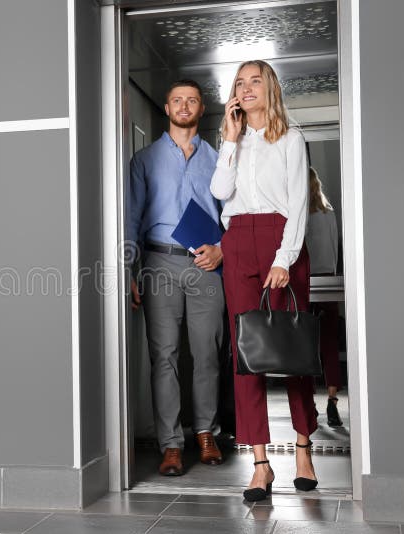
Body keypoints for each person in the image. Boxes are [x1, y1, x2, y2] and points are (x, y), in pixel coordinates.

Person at [210, 60, 318, 501]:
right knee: (246, 353)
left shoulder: (291, 138)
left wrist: (284, 258)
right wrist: (230, 142)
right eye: (240, 82)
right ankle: (259, 463)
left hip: (280, 240)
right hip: (236, 242)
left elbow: (299, 203)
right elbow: (220, 192)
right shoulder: (231, 141)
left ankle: (304, 448)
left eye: (255, 80)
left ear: (270, 88)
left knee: (292, 349)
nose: (247, 87)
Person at [126, 79, 226, 476]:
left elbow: (231, 216)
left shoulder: (220, 159)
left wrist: (222, 249)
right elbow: (130, 219)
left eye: (192, 101)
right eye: (177, 100)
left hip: (206, 265)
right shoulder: (144, 160)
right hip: (158, 263)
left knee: (207, 355)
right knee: (163, 356)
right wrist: (130, 269)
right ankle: (171, 445)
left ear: (202, 109)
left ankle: (205, 433)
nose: (184, 106)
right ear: (166, 109)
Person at [305, 167, 343, 427]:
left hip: (306, 280)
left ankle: (309, 406)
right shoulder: (329, 214)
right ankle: (332, 402)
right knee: (329, 342)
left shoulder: (298, 214)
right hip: (328, 277)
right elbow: (335, 248)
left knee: (305, 346)